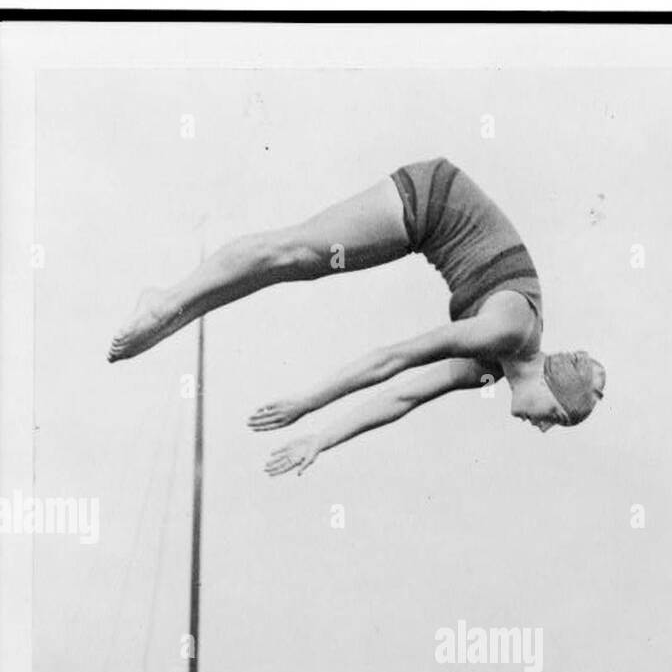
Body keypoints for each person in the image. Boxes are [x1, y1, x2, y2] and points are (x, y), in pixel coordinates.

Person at [109, 158, 606, 472]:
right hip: (433, 198)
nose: (543, 428)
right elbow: (394, 359)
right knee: (292, 253)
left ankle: (173, 311)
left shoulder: (494, 365)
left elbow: (403, 395)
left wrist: (320, 439)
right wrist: (308, 400)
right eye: (557, 418)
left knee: (296, 264)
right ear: (550, 384)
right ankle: (165, 301)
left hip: (427, 225)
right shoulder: (510, 329)